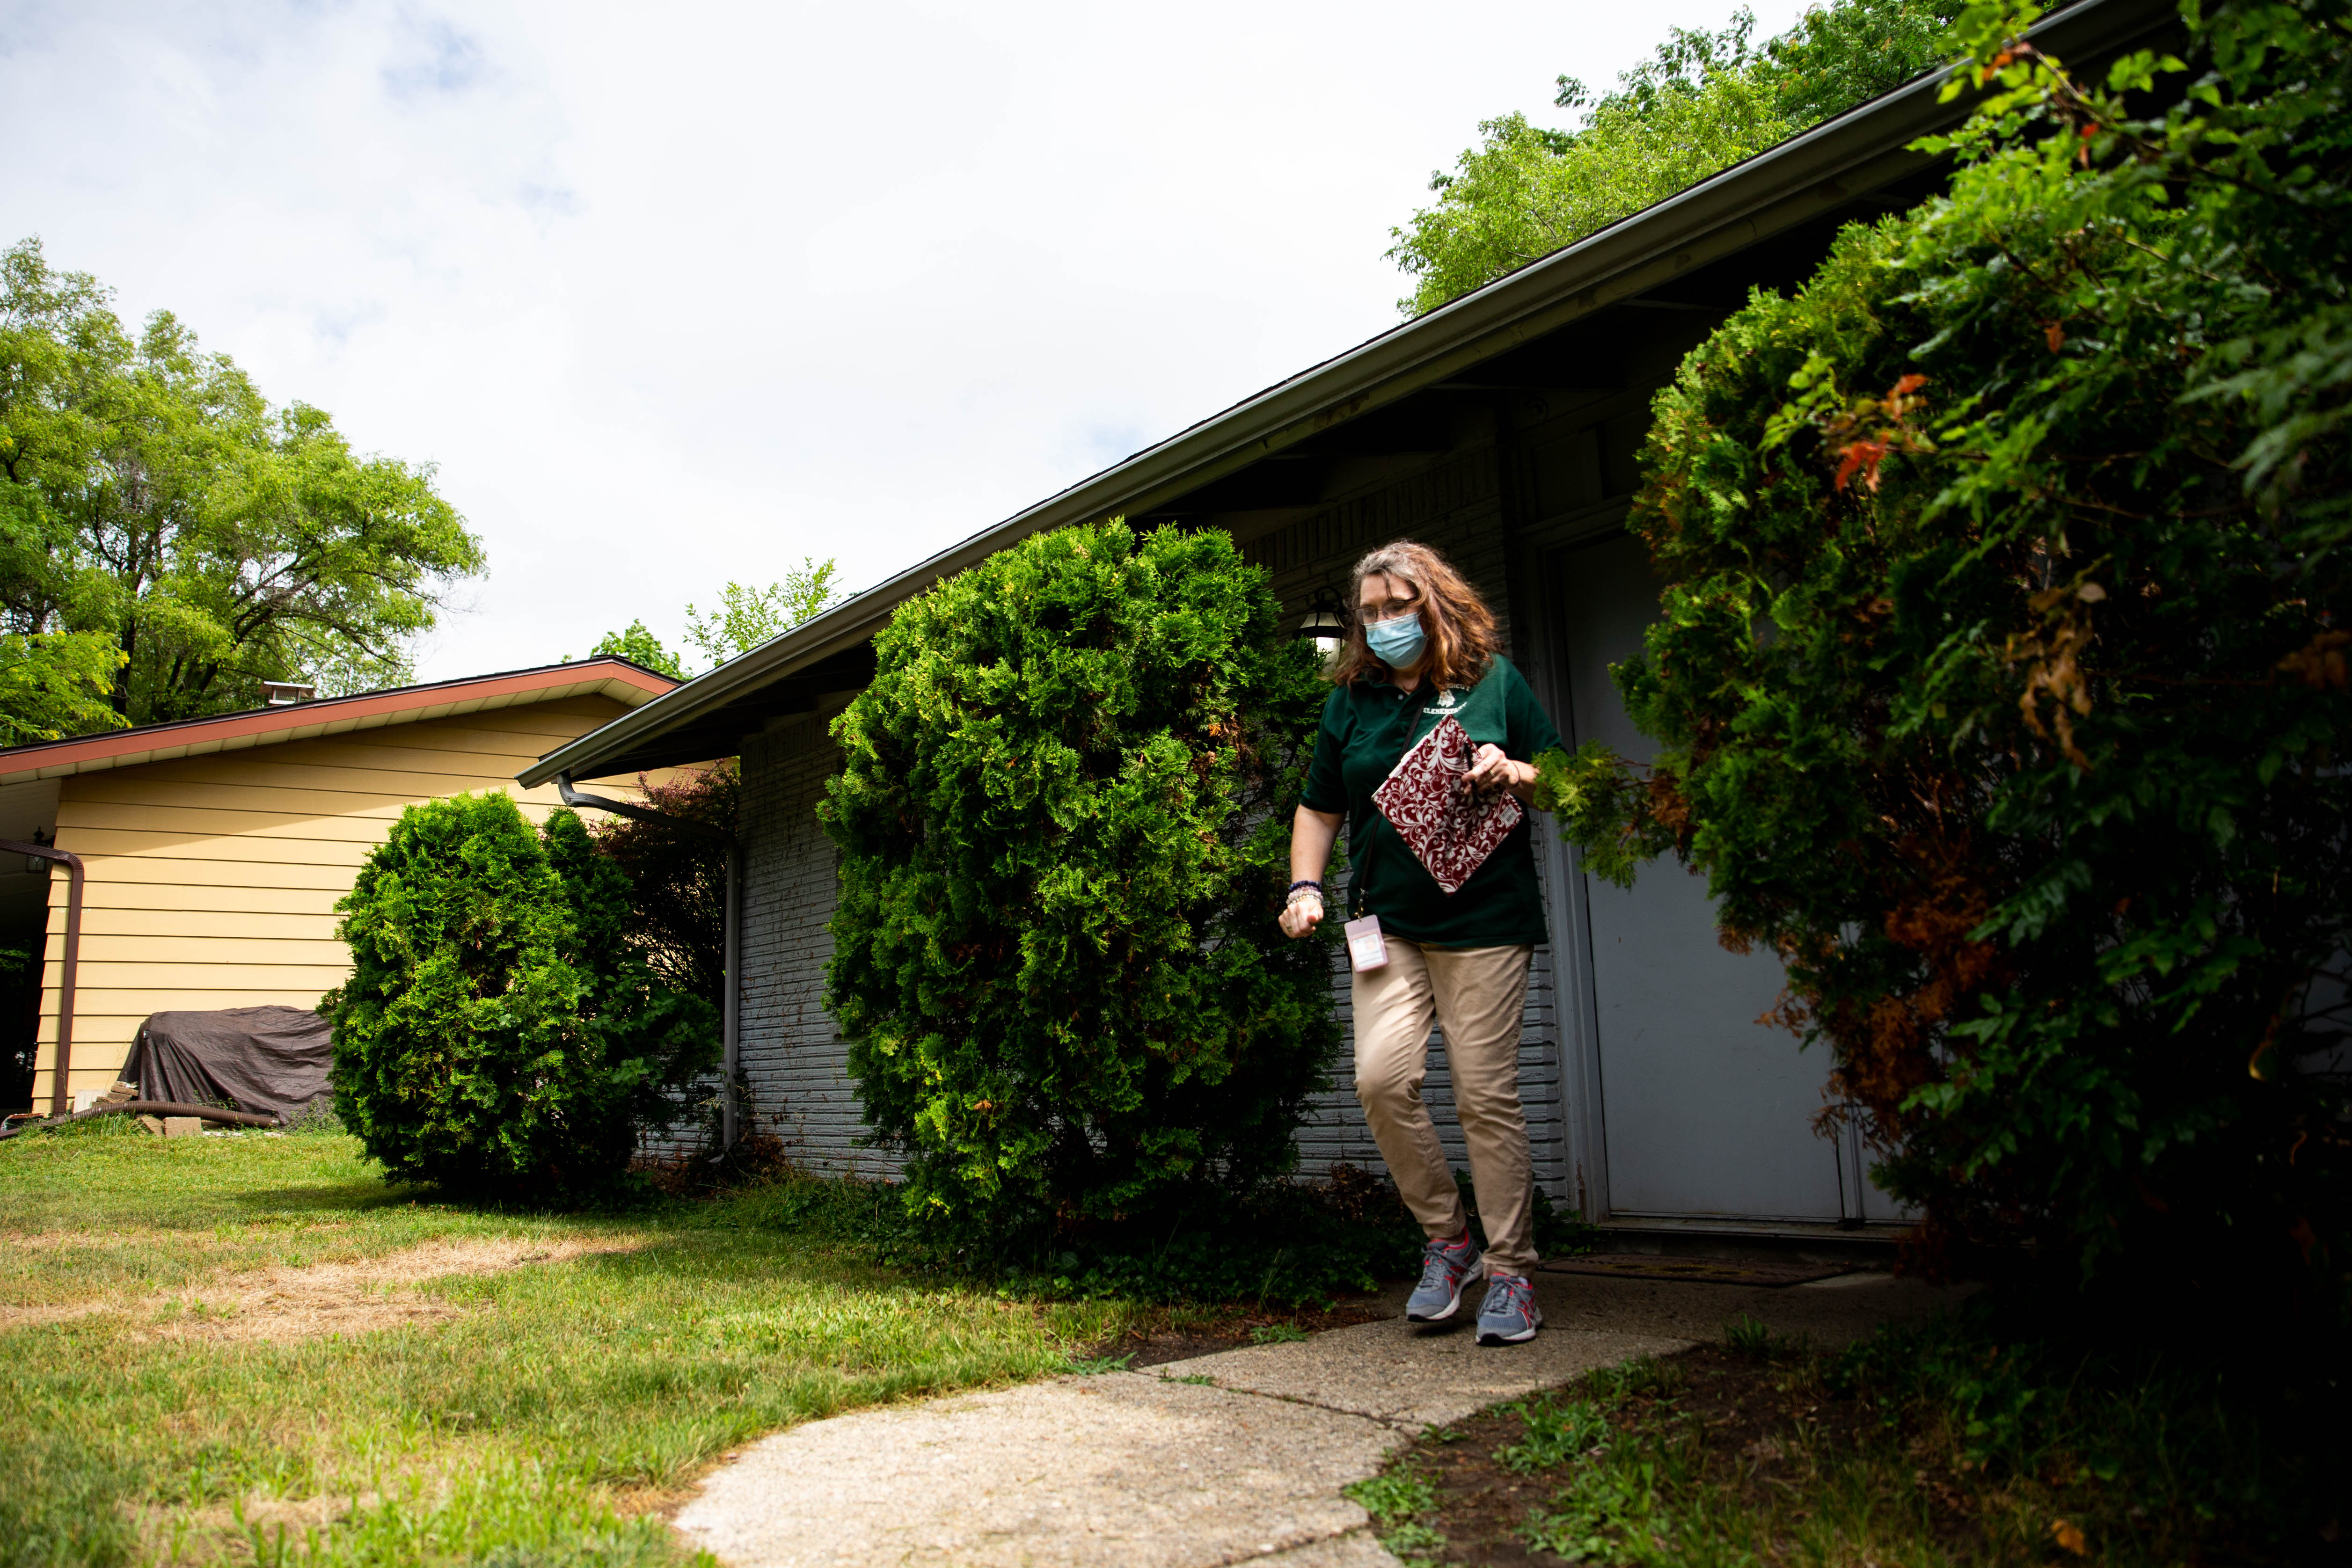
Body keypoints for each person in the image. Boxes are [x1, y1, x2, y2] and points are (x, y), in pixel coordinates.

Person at [1280, 540, 1563, 1347]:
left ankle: (1512, 1270)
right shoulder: (1352, 701)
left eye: (1396, 606)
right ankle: (1449, 1241)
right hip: (1387, 925)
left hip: (1484, 924)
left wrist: (1515, 771)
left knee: (1484, 1097)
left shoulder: (1491, 684)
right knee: (1381, 1080)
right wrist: (1304, 887)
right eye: (1368, 613)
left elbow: (1561, 776)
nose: (1381, 624)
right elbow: (1319, 807)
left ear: (1432, 603)